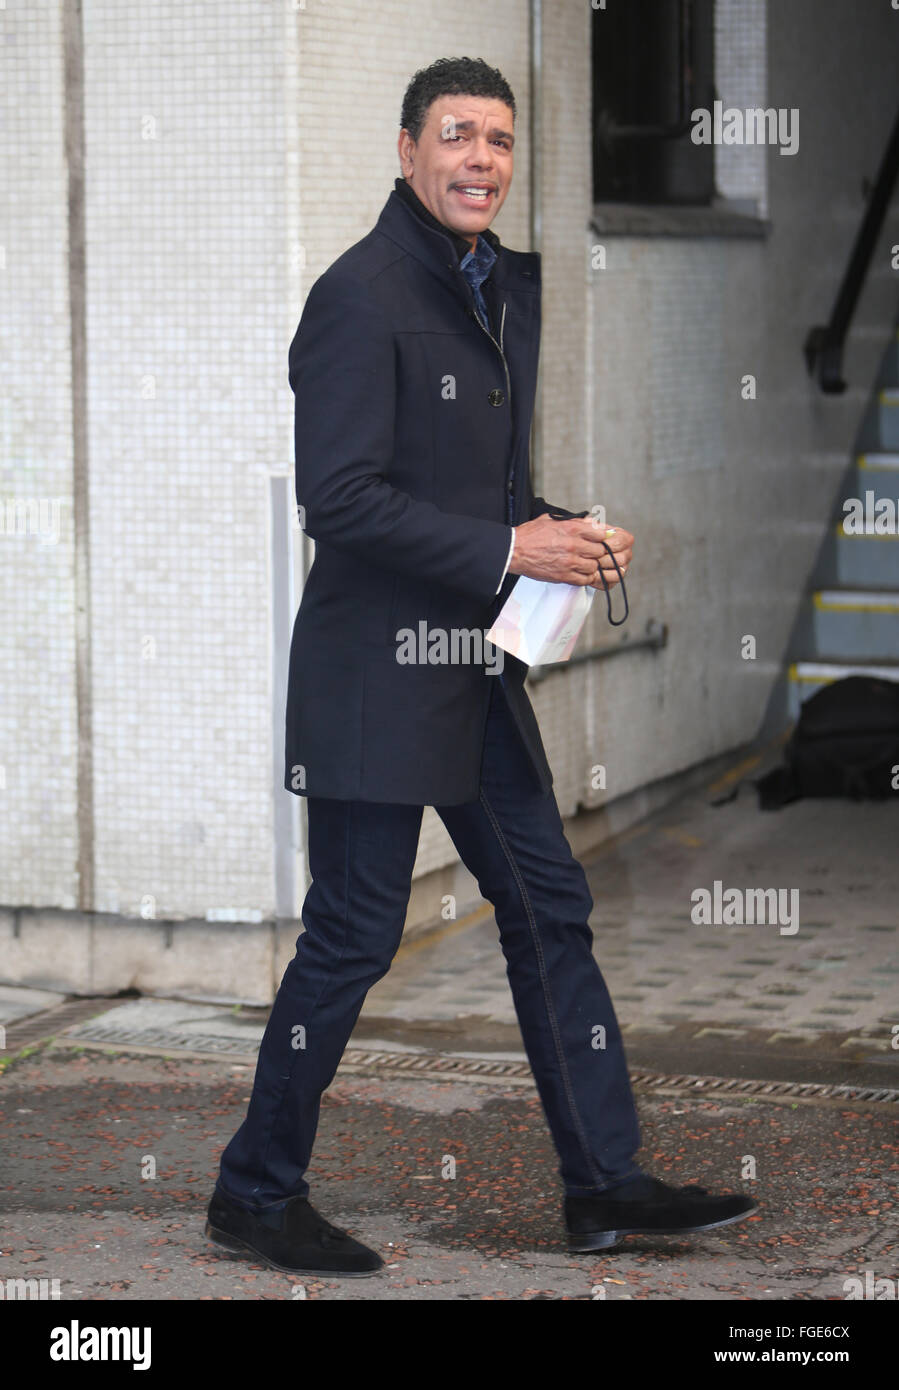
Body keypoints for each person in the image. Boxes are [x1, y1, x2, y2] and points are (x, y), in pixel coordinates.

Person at [206, 56, 757, 1277]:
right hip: (372, 676)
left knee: (549, 906)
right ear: (405, 151)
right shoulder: (358, 295)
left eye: (499, 142)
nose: (480, 161)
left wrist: (556, 531)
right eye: (456, 136)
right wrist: (509, 543)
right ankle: (253, 1191)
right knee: (353, 936)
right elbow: (339, 500)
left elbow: (479, 493)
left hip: (477, 666)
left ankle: (603, 1185)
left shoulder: (499, 285)